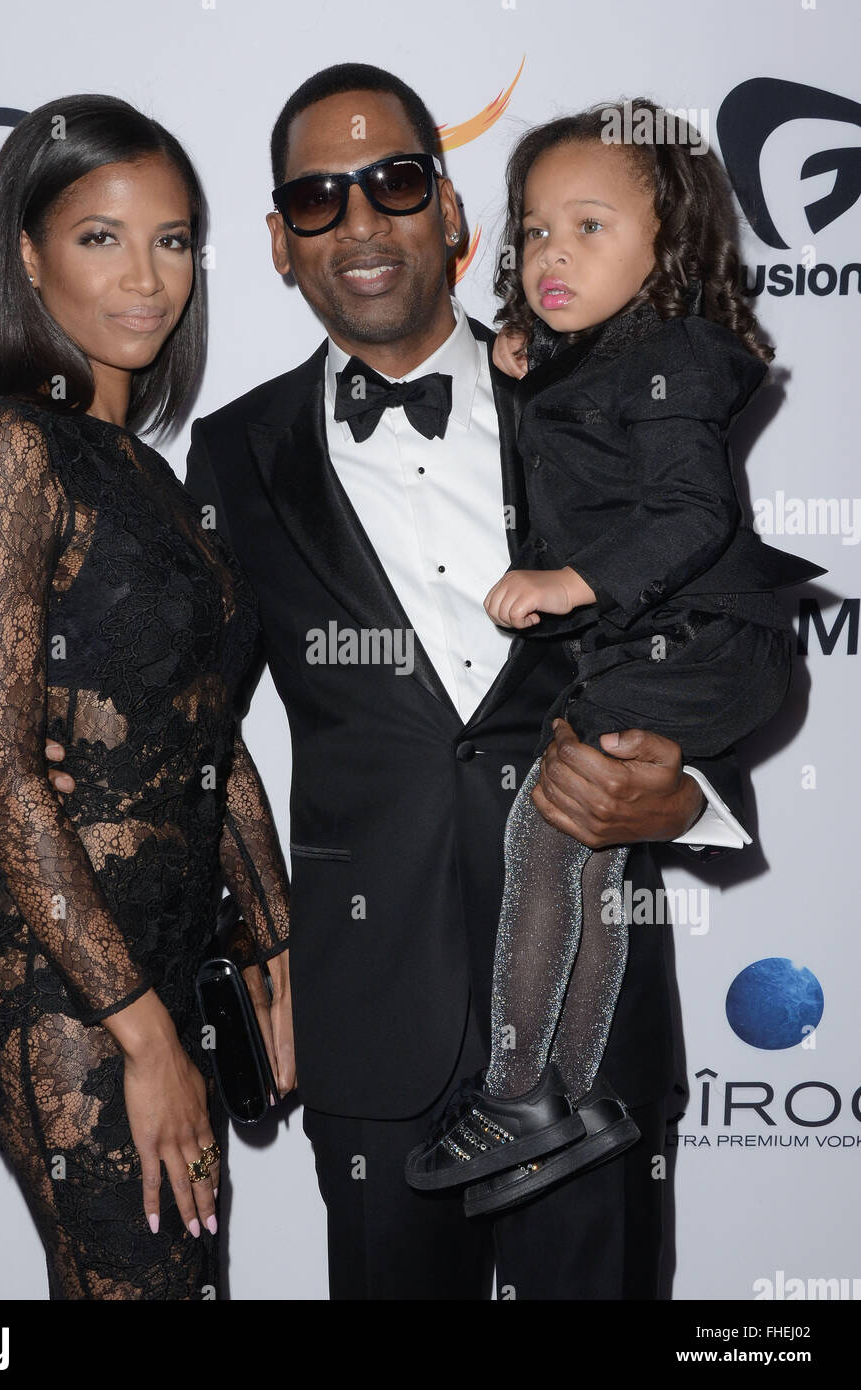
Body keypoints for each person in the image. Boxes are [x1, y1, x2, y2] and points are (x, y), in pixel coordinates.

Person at [50, 65, 753, 1299]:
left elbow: (724, 616)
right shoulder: (230, 456)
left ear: (453, 215)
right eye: (318, 199)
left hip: (592, 1035)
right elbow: (190, 741)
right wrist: (199, 962)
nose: (360, 223)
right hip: (368, 1023)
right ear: (277, 242)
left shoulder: (596, 391)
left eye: (395, 183)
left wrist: (686, 795)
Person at [404, 100, 825, 1215]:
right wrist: (523, 356)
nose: (551, 251)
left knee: (547, 837)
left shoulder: (679, 361)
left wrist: (568, 584)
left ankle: (515, 1088)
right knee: (580, 864)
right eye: (536, 230)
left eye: (590, 227)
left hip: (696, 639)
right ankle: (569, 1097)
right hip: (671, 644)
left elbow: (689, 515)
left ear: (667, 248)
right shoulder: (587, 358)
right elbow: (581, 438)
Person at [0, 93, 292, 1301]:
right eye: (102, 237)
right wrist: (142, 1035)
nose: (147, 276)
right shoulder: (9, 449)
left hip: (165, 974)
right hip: (72, 997)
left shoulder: (158, 476)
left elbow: (212, 736)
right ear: (27, 255)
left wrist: (276, 937)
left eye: (174, 239)